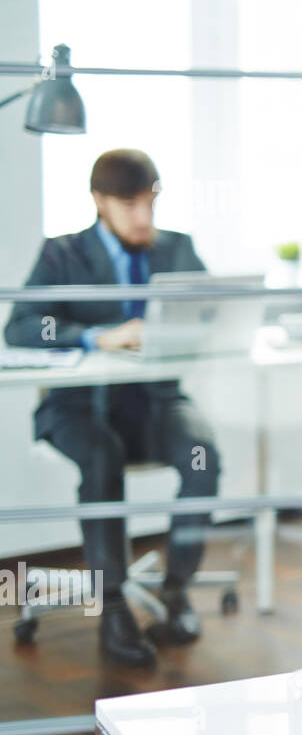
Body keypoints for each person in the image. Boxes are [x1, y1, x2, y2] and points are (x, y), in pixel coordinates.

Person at [4, 149, 221, 669]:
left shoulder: (177, 249)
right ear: (99, 202)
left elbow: (214, 308)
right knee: (103, 457)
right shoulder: (62, 254)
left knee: (201, 458)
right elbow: (24, 327)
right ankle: (116, 606)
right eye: (129, 204)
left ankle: (175, 590)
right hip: (77, 412)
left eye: (151, 202)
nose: (144, 217)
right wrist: (95, 337)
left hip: (155, 404)